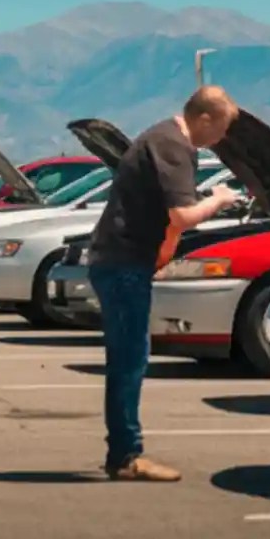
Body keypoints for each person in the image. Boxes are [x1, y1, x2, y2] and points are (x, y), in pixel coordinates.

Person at [86, 85, 242, 481]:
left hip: (117, 261)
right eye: (220, 129)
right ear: (204, 118)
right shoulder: (174, 145)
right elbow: (183, 217)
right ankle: (125, 456)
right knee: (129, 360)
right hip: (123, 264)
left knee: (127, 358)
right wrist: (220, 199)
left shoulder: (160, 138)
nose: (220, 139)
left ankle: (123, 452)